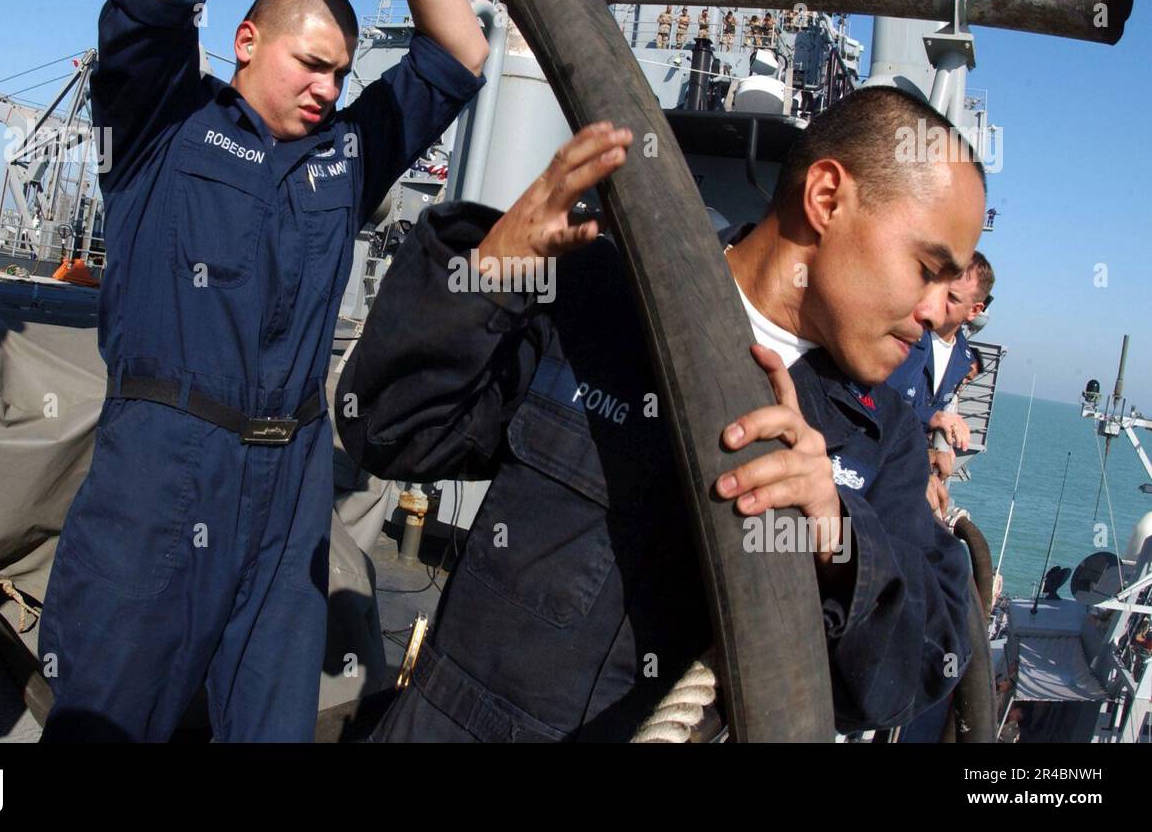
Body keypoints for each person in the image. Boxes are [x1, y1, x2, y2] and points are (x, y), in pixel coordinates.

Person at [337, 85, 985, 741]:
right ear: (826, 199)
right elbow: (389, 431)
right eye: (928, 268)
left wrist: (837, 538)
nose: (937, 313)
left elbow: (919, 670)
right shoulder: (602, 296)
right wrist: (487, 272)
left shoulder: (885, 443)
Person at [38, 0, 488, 743]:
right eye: (312, 63)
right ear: (246, 40)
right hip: (161, 472)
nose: (329, 88)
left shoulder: (346, 158)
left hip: (290, 488)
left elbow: (460, 58)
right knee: (106, 720)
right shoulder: (162, 123)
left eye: (342, 73)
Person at [886, 251, 994, 452]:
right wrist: (931, 417)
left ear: (974, 311)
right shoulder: (899, 332)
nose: (937, 300)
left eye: (951, 297)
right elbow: (866, 399)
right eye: (936, 287)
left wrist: (934, 453)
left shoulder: (962, 361)